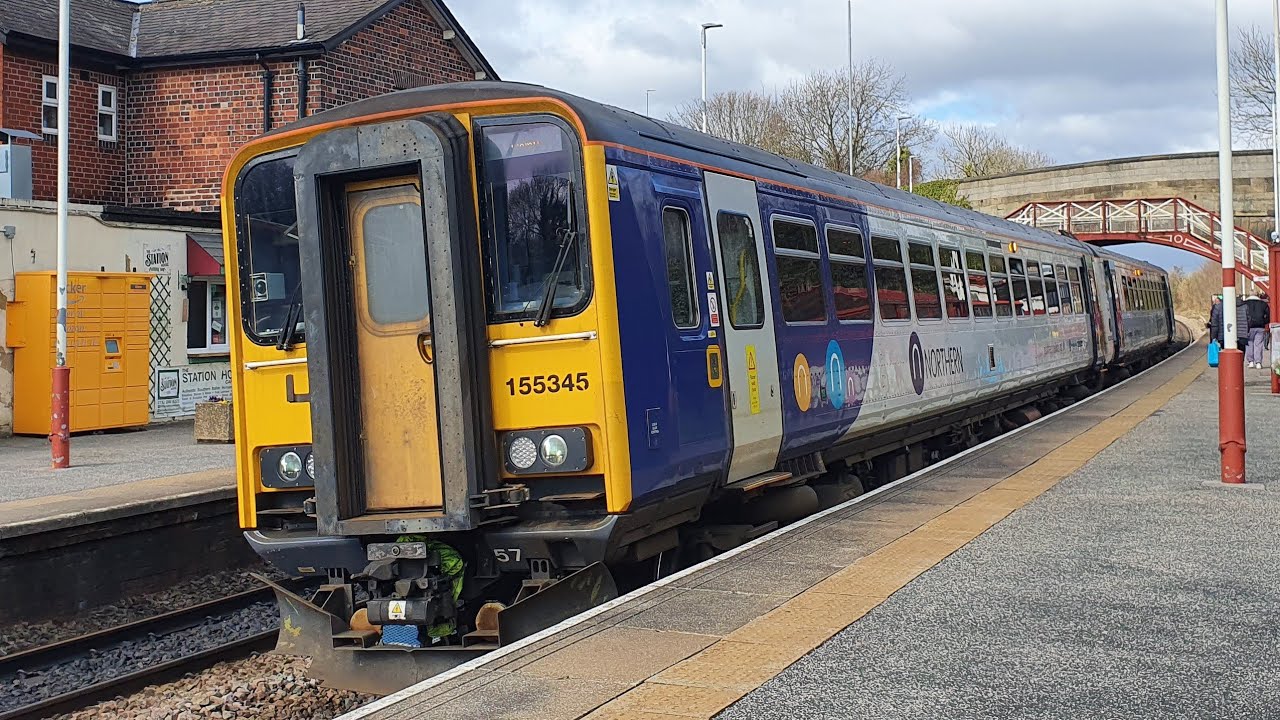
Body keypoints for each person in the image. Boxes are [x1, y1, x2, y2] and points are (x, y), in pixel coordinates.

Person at [1246, 292, 1270, 368]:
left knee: (1249, 343)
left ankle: (1251, 361)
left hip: (1248, 327)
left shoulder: (1245, 303)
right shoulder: (1263, 304)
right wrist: (1264, 322)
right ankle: (1258, 362)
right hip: (1260, 326)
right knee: (1258, 344)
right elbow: (1268, 315)